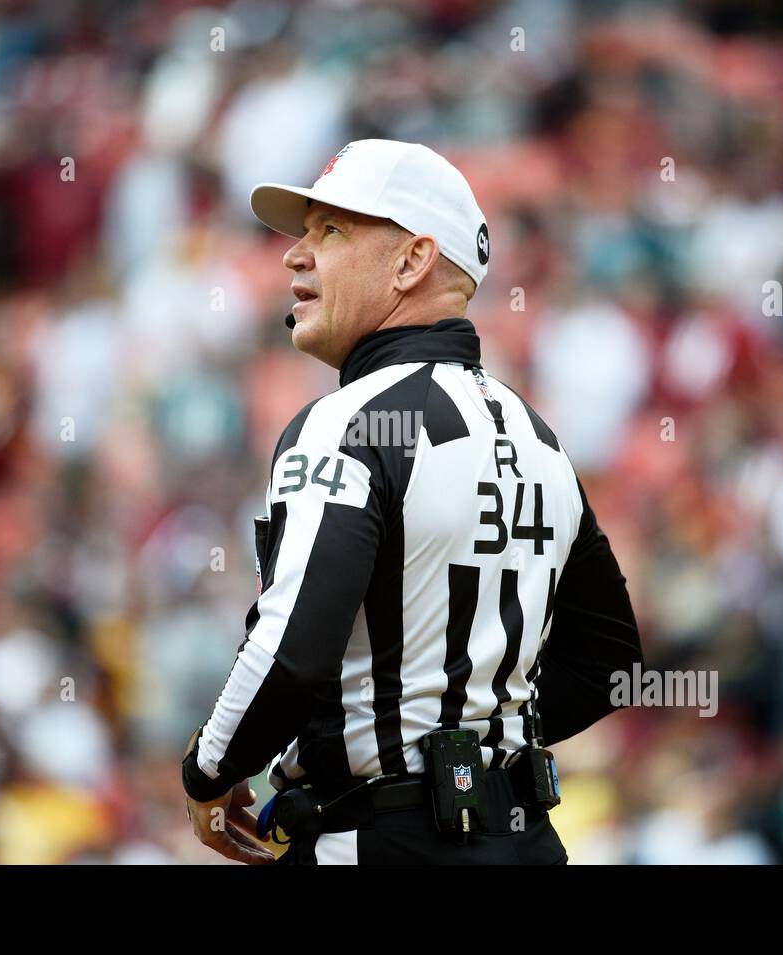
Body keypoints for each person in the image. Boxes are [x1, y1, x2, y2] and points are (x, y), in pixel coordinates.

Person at [182, 139, 643, 864]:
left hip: (381, 839)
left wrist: (209, 769)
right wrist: (475, 748)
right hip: (528, 842)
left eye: (330, 230)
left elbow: (291, 651)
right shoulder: (541, 436)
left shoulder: (345, 422)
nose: (294, 256)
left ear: (411, 261)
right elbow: (609, 661)